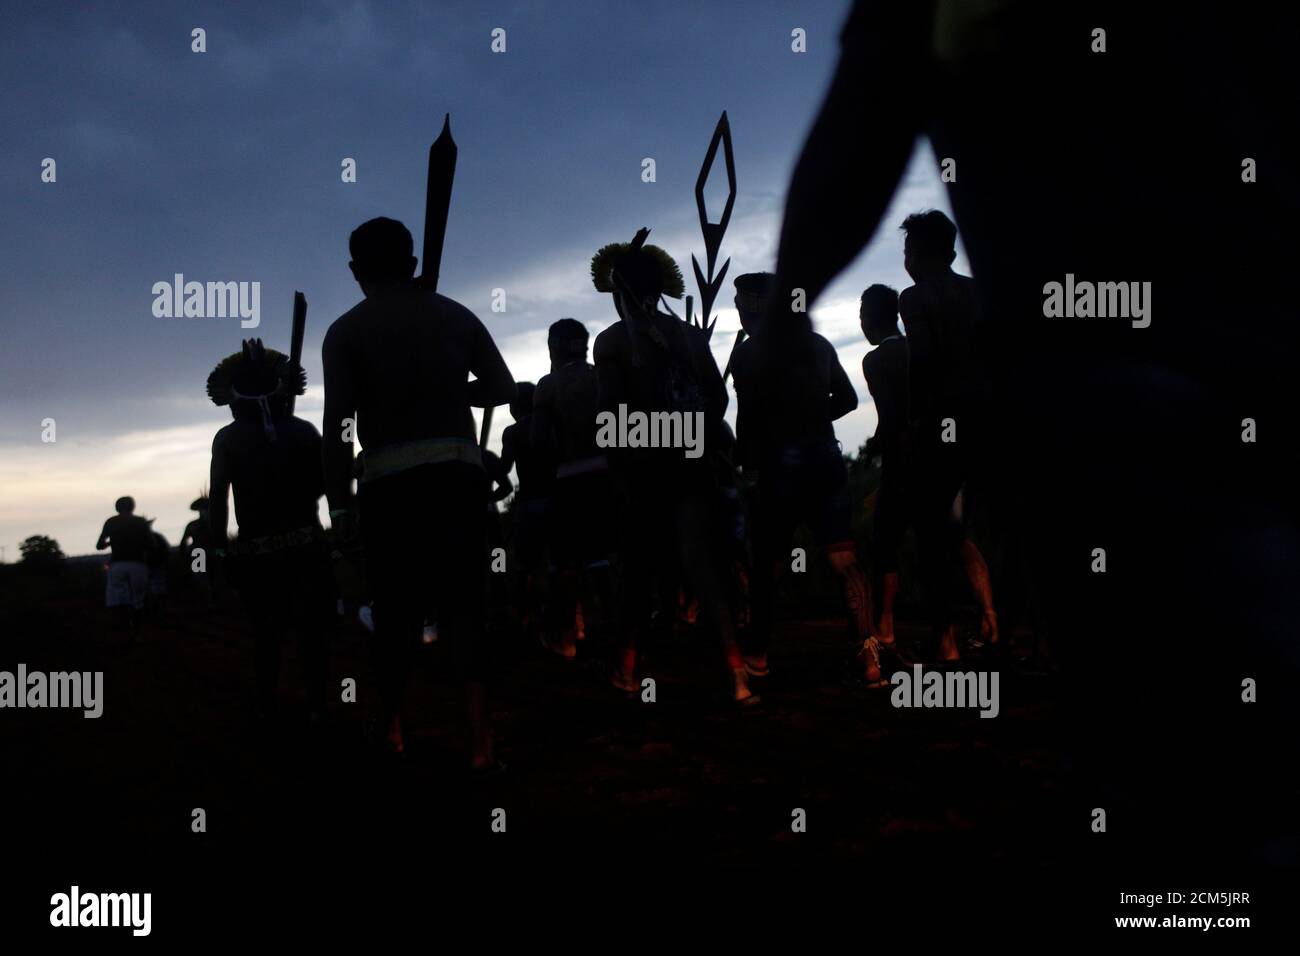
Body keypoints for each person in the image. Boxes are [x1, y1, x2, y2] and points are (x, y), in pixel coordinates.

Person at [763, 0, 1300, 867]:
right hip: (1227, 364)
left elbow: (855, 144)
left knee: (1176, 753)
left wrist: (787, 329)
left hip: (1119, 401)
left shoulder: (925, 304)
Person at [322, 216, 515, 769]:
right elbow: (502, 387)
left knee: (397, 613)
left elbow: (338, 427)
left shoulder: (347, 331)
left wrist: (338, 506)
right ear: (411, 265)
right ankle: (481, 743)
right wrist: (452, 386)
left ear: (356, 271)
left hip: (389, 486)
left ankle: (393, 732)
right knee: (465, 609)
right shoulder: (455, 315)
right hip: (459, 477)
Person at [591, 229, 756, 704]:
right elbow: (718, 397)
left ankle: (626, 669)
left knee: (639, 569)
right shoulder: (688, 336)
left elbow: (610, 416)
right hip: (693, 464)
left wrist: (629, 460)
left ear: (618, 292)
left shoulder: (612, 341)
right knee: (703, 564)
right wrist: (693, 434)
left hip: (648, 471)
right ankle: (737, 673)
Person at [729, 272, 878, 684]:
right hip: (824, 459)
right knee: (843, 557)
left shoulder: (748, 354)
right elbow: (847, 400)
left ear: (754, 306)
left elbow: (748, 419)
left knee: (768, 564)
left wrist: (747, 459)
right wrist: (810, 419)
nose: (738, 311)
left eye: (741, 303)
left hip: (779, 466)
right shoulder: (818, 345)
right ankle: (870, 662)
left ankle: (757, 655)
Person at [207, 339, 332, 725]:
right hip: (309, 548)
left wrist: (220, 552)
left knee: (267, 634)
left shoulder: (227, 439)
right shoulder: (304, 431)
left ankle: (267, 705)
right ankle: (316, 706)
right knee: (312, 633)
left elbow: (218, 503)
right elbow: (323, 484)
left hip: (258, 555)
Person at [531, 319, 612, 659]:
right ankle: (614, 635)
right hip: (607, 476)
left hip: (568, 479)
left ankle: (565, 637)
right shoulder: (603, 378)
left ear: (554, 346)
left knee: (567, 563)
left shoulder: (548, 386)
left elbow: (538, 444)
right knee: (605, 557)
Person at [95, 496, 151, 641]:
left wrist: (110, 542)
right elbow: (151, 544)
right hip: (138, 564)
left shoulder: (110, 522)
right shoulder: (140, 522)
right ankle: (138, 631)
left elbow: (99, 546)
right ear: (133, 507)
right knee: (138, 600)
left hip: (118, 565)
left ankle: (122, 632)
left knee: (117, 600)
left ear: (117, 508)